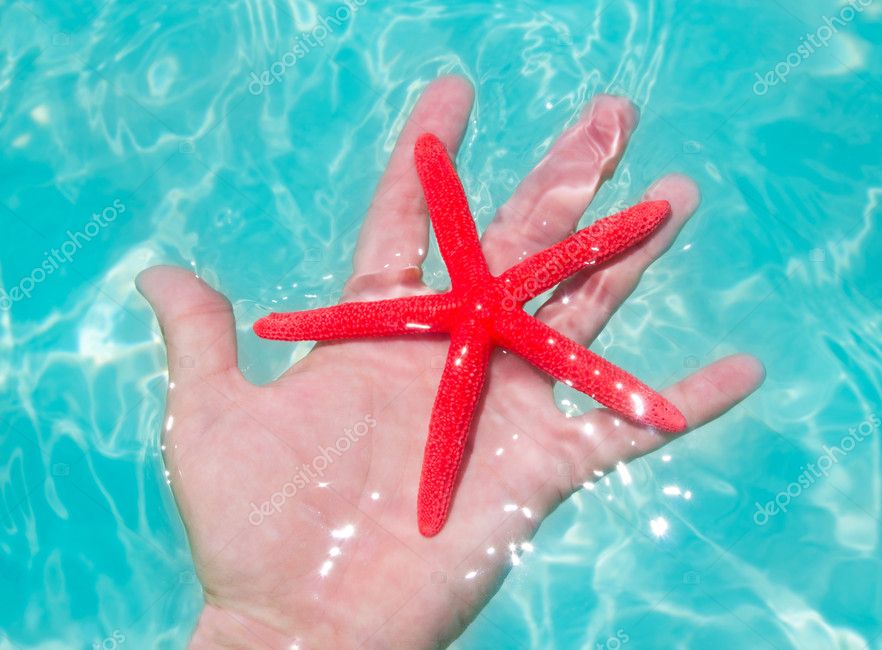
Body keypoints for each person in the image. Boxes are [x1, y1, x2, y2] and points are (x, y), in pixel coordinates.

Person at [136, 75, 765, 648]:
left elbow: (460, 215)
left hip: (478, 314)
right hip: (478, 316)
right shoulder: (481, 315)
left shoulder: (478, 308)